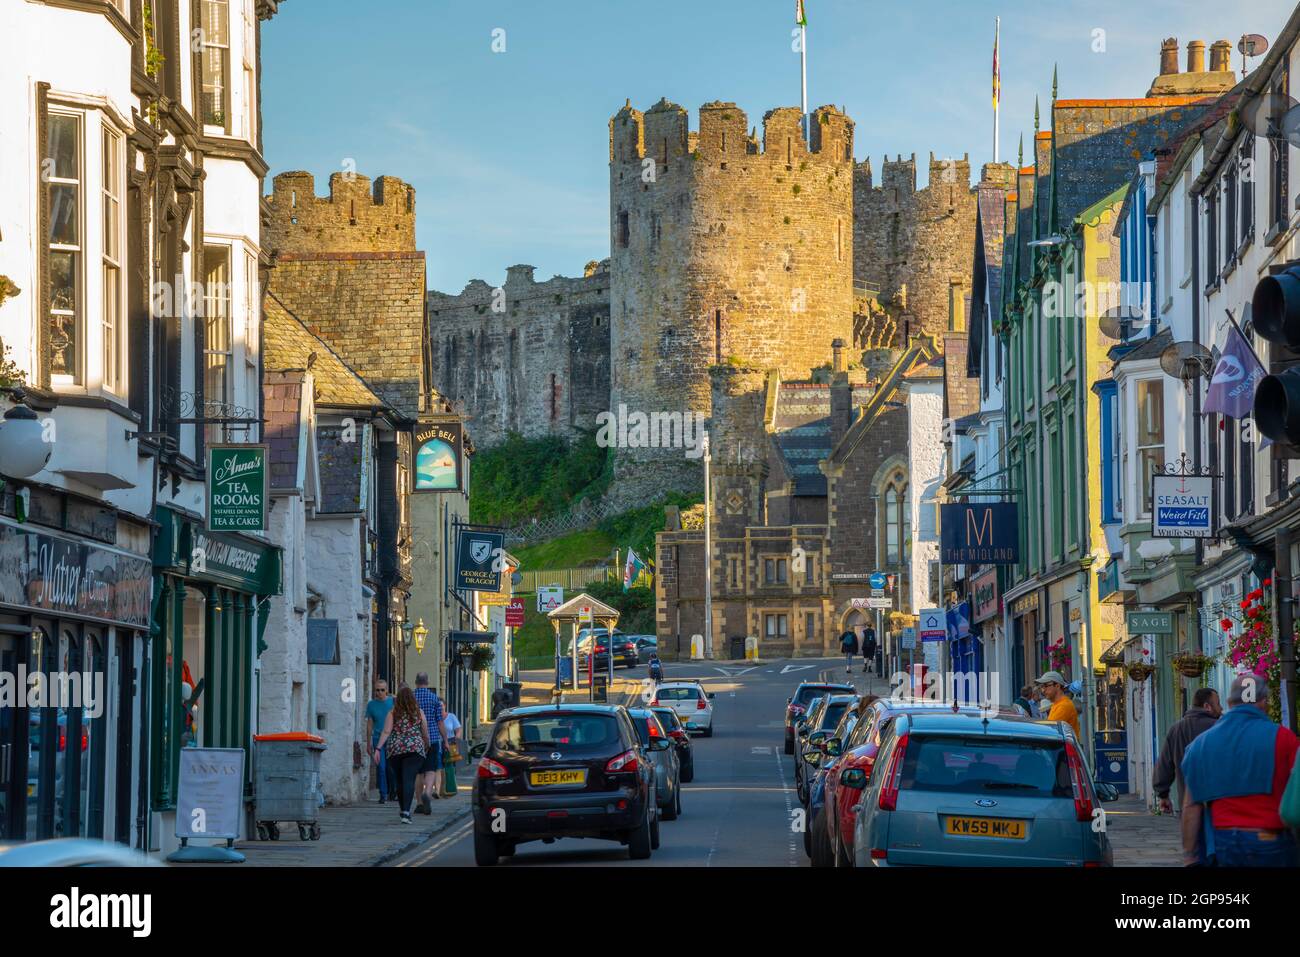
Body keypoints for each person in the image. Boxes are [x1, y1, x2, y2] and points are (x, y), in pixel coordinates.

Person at [1180, 673, 1300, 867]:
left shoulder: (1201, 744)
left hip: (1224, 841)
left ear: (1229, 702)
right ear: (1263, 702)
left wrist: (1189, 855)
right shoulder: (1284, 739)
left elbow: (1191, 806)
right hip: (1271, 838)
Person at [1154, 687, 1221, 814]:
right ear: (1207, 706)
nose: (1221, 708)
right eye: (1218, 704)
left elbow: (1163, 766)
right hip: (1218, 804)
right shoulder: (1219, 727)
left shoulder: (1176, 729)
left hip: (1188, 804)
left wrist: (1163, 795)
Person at [373, 687, 429, 823]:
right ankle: (406, 812)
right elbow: (425, 732)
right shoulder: (418, 712)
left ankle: (403, 810)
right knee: (409, 779)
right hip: (415, 749)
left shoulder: (393, 712)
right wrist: (427, 745)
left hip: (396, 750)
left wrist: (378, 749)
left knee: (400, 780)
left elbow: (386, 732)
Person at [412, 674, 448, 814]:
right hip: (432, 739)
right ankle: (427, 792)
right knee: (431, 769)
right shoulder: (434, 699)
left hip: (415, 739)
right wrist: (445, 740)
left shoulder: (411, 698)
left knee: (418, 772)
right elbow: (440, 722)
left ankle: (420, 803)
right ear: (427, 682)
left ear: (416, 683)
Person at [365, 679, 395, 803]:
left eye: (382, 690)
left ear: (386, 690)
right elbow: (369, 725)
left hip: (392, 738)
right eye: (377, 690)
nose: (380, 692)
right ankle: (383, 794)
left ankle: (392, 792)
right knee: (381, 767)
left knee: (391, 767)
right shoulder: (371, 705)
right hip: (378, 740)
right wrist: (368, 743)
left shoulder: (392, 702)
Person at [1035, 670, 1080, 739]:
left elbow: (1049, 732)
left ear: (1057, 686)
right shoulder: (1057, 704)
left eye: (1046, 686)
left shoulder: (1064, 706)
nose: (1043, 690)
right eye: (1042, 687)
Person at [441, 709, 463, 797]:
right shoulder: (435, 716)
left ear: (445, 706)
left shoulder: (451, 716)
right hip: (438, 742)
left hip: (451, 742)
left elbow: (459, 729)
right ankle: (441, 789)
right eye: (438, 705)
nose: (440, 707)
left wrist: (456, 739)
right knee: (439, 767)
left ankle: (451, 788)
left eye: (442, 705)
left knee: (450, 766)